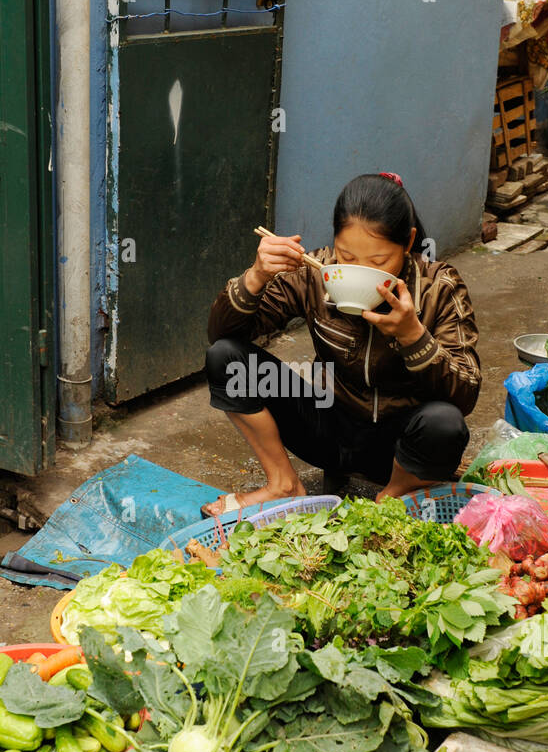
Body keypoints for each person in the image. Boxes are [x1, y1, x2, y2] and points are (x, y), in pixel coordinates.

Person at [202, 172, 481, 517]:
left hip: (399, 450)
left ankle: (392, 501)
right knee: (225, 359)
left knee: (444, 422)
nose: (359, 271)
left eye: (378, 262)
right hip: (328, 430)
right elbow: (224, 333)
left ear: (408, 243)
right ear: (334, 243)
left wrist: (413, 336)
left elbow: (466, 393)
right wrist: (255, 276)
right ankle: (282, 485)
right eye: (347, 257)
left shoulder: (439, 287)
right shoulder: (315, 273)